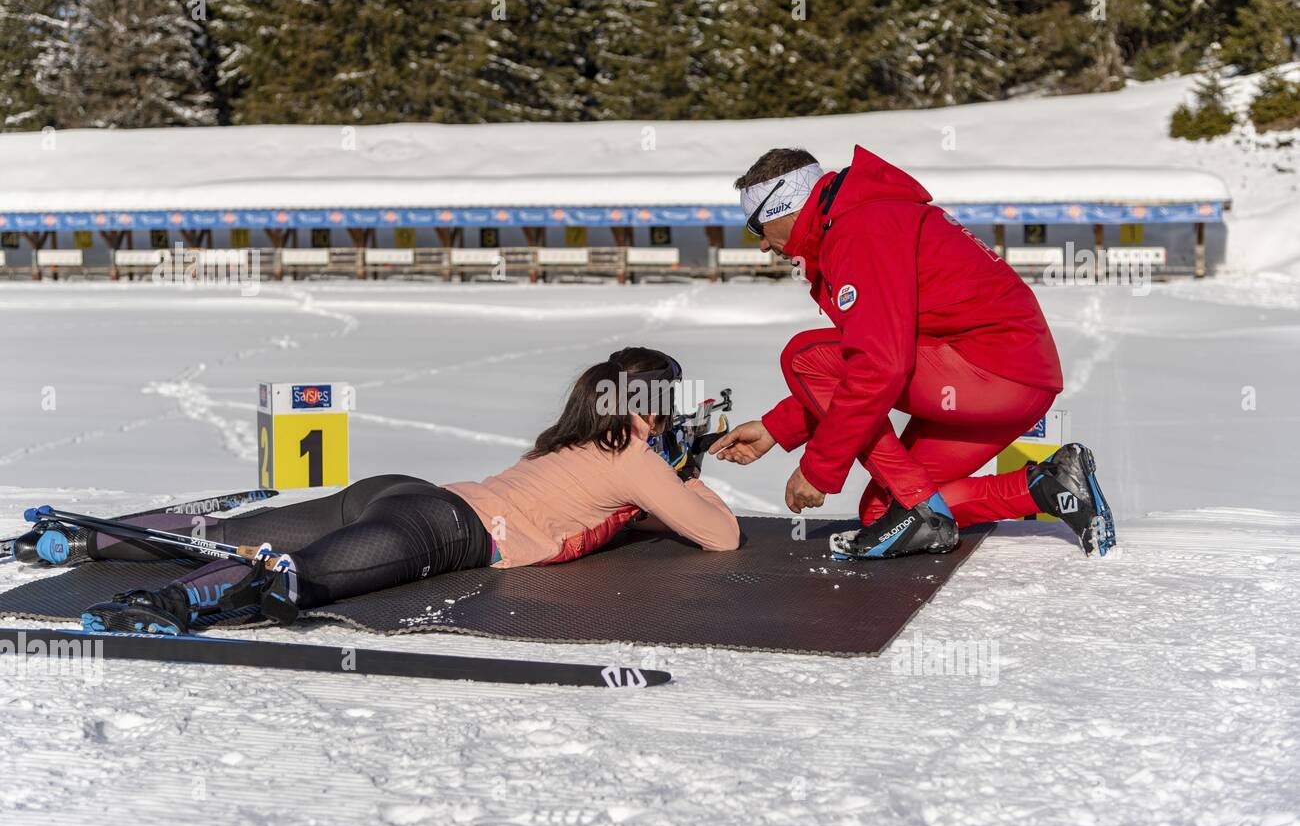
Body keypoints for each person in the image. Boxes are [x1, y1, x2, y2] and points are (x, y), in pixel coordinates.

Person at [23, 348, 740, 635]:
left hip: (403, 493)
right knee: (303, 575)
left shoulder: (575, 438)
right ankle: (172, 605)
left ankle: (79, 536)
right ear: (651, 403)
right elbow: (720, 535)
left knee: (253, 527)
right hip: (445, 529)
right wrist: (687, 468)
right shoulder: (635, 455)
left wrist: (670, 464)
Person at [710, 145, 1116, 559]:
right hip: (1012, 383)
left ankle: (921, 507)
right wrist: (777, 429)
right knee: (884, 512)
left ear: (786, 208)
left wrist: (820, 468)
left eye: (756, 227)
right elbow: (860, 368)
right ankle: (1053, 488)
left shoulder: (860, 228)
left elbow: (877, 367)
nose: (762, 245)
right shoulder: (865, 219)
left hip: (989, 376)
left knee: (804, 355)